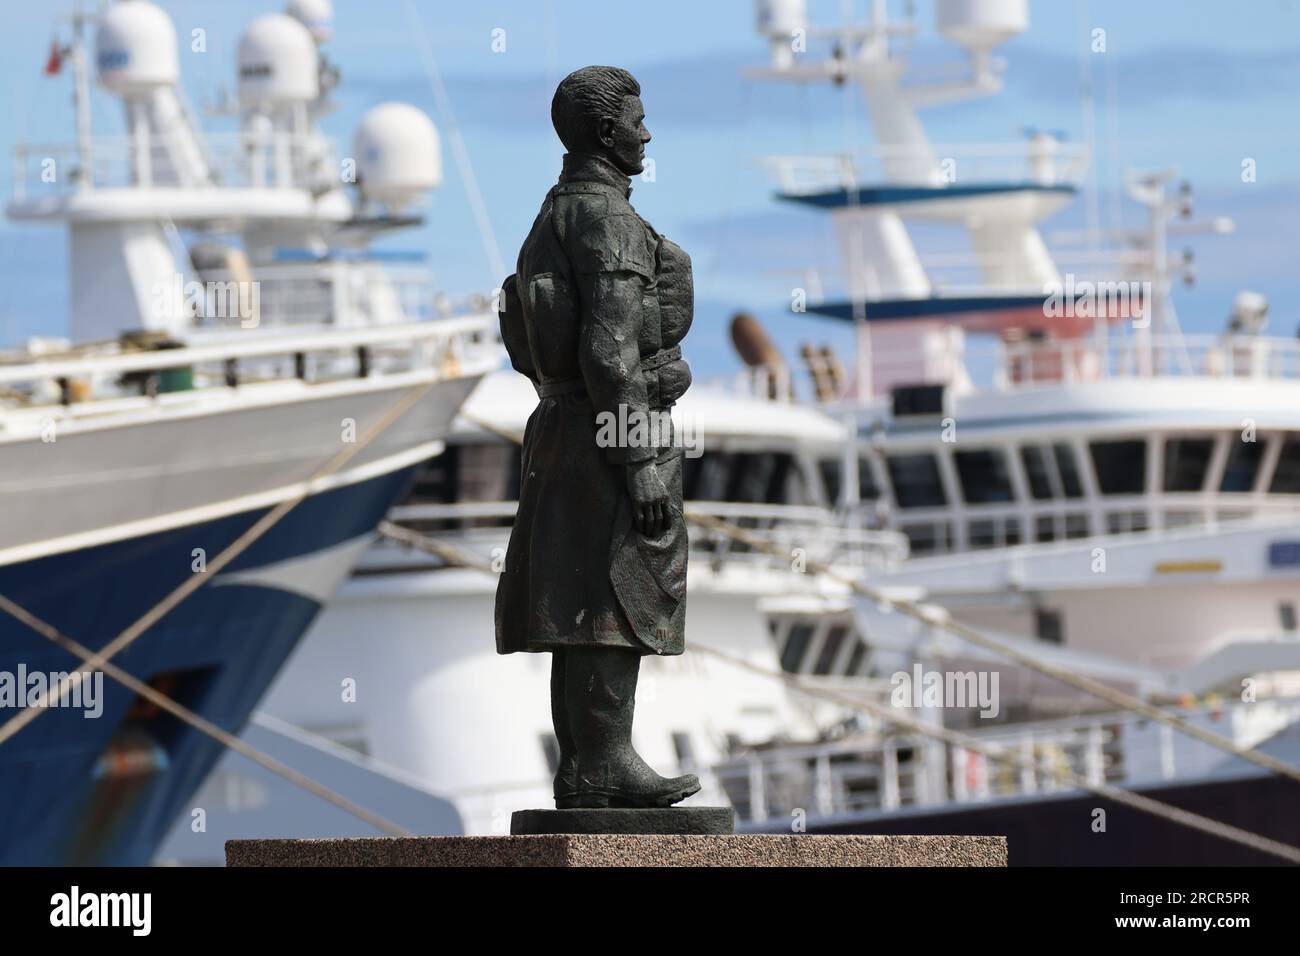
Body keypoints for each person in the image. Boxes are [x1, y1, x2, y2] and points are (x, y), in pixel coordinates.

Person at [495, 65, 698, 809]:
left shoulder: (553, 214)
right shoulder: (610, 222)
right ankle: (605, 763)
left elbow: (532, 342)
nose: (646, 133)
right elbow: (609, 352)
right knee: (616, 600)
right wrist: (640, 457)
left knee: (578, 608)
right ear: (606, 133)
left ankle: (588, 767)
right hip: (609, 437)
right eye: (636, 121)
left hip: (562, 432)